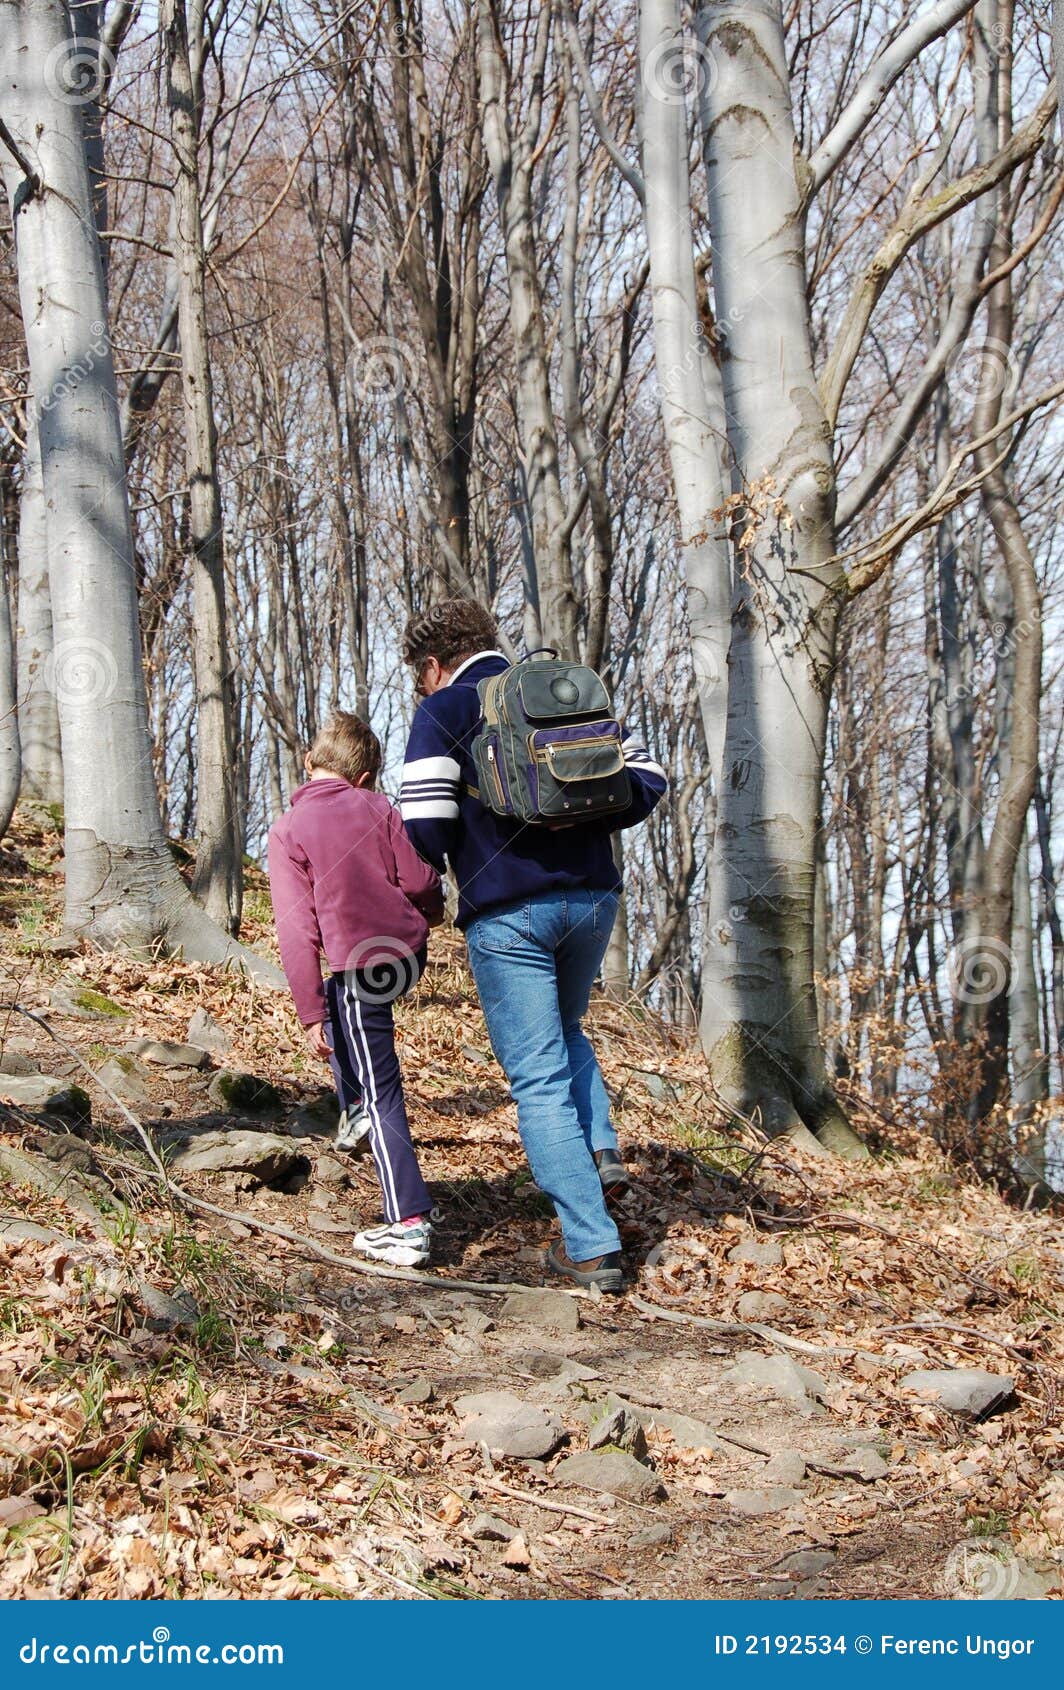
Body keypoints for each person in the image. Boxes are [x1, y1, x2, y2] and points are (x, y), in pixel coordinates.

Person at [399, 599, 667, 1292]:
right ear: (489, 643)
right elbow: (648, 782)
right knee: (568, 1029)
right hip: (594, 901)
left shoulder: (445, 710)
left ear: (434, 666)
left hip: (509, 914)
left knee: (538, 1076)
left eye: (421, 677)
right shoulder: (560, 691)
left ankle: (590, 1246)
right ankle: (600, 1148)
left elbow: (424, 827)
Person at [268, 711, 444, 1267]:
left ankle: (408, 1223)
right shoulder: (377, 806)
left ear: (308, 762)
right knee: (351, 1028)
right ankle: (355, 1111)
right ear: (365, 776)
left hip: (357, 968)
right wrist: (431, 913)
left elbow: (297, 929)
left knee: (379, 1088)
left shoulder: (288, 830)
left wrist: (308, 1012)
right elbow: (420, 880)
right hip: (405, 957)